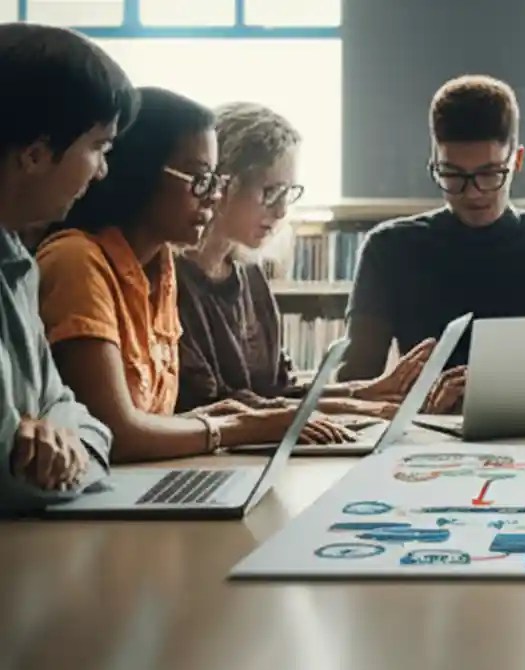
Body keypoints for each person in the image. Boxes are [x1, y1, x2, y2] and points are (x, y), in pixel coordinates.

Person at [36, 86, 354, 464]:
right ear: (143, 170)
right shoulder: (77, 259)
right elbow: (116, 432)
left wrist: (213, 418)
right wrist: (241, 425)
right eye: (202, 179)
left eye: (217, 183)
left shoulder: (162, 268)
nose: (214, 197)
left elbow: (157, 419)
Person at [339, 74, 525, 409]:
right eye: (452, 175)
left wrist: (508, 389)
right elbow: (356, 381)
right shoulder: (389, 248)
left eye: (490, 174)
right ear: (433, 165)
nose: (473, 192)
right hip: (427, 432)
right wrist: (407, 401)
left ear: (517, 160)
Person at [174, 101, 448, 417]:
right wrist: (351, 402)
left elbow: (278, 392)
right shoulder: (172, 279)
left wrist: (365, 392)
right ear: (224, 183)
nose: (281, 211)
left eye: (289, 193)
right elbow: (211, 407)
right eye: (270, 192)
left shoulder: (250, 276)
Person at [0, 23, 135, 509]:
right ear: (35, 154)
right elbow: (10, 478)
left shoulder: (16, 263)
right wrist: (44, 448)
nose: (102, 170)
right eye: (98, 146)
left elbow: (83, 420)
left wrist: (55, 437)